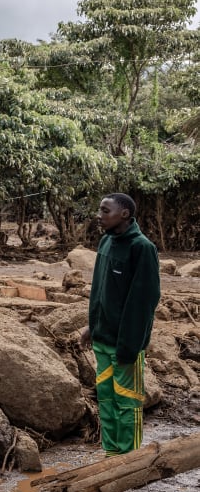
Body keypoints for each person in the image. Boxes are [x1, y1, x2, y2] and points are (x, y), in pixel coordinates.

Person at [78, 193, 160, 456]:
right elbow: (100, 292)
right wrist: (93, 326)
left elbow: (143, 302)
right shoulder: (106, 242)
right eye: (100, 210)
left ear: (124, 214)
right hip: (102, 341)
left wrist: (129, 346)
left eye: (105, 211)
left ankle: (129, 458)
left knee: (128, 402)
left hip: (125, 345)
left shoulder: (142, 248)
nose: (99, 215)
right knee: (106, 398)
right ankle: (110, 454)